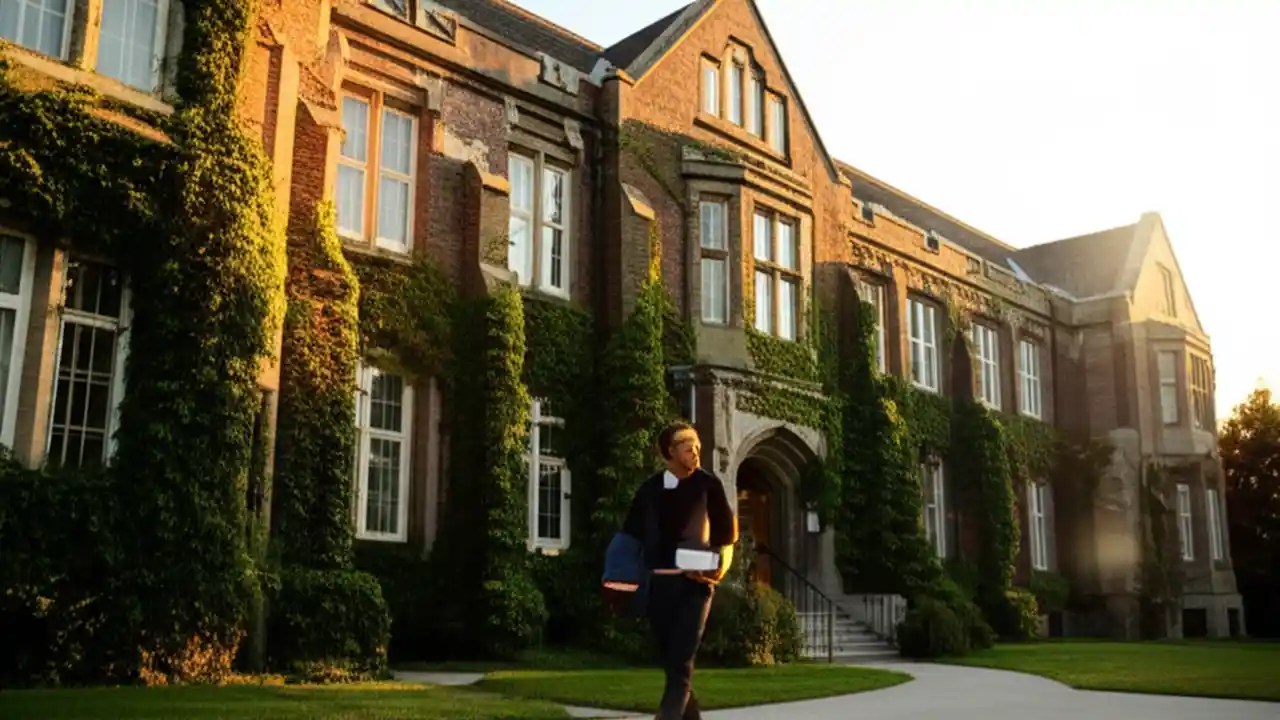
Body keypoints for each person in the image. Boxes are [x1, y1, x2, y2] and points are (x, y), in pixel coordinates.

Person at [621, 421, 737, 720]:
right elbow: (631, 538)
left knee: (682, 661)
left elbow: (727, 537)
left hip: (695, 587)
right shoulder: (648, 490)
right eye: (688, 446)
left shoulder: (709, 485)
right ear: (669, 453)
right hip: (658, 587)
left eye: (697, 446)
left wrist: (717, 570)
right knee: (674, 666)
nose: (696, 451)